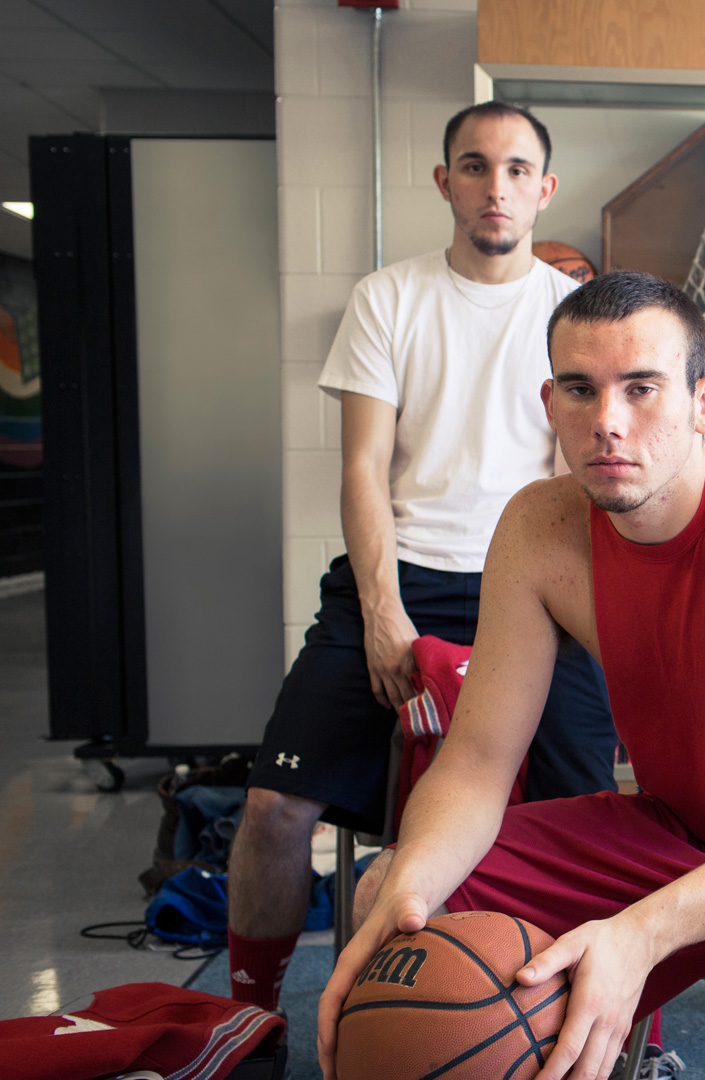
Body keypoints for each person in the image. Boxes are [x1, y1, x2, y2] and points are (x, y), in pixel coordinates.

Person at [318, 272, 705, 1080]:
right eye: (581, 391)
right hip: (678, 828)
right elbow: (479, 760)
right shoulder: (538, 528)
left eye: (642, 389)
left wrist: (644, 931)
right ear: (550, 405)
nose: (607, 424)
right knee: (392, 894)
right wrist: (412, 876)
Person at [226, 102, 619, 1011]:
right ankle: (246, 1017)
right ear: (446, 182)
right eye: (476, 167)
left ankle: (614, 1026)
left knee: (588, 821)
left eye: (518, 170)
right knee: (273, 808)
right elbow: (363, 468)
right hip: (402, 578)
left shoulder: (574, 316)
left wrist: (584, 615)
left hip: (536, 587)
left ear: (544, 190)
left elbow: (581, 479)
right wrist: (380, 608)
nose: (497, 187)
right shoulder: (388, 298)